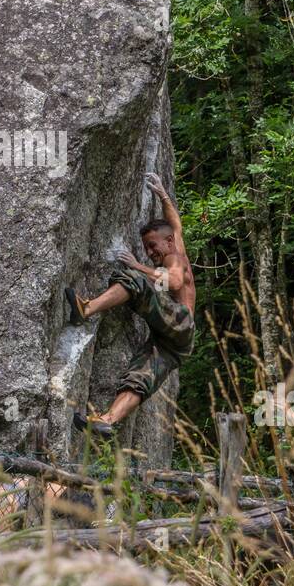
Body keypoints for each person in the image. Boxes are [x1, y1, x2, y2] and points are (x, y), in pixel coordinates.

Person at [63, 172, 195, 438]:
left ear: (167, 242)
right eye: (146, 248)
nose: (150, 252)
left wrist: (138, 265)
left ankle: (86, 309)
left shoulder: (175, 260)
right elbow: (175, 223)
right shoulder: (175, 243)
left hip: (180, 321)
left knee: (135, 279)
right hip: (177, 343)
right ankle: (109, 420)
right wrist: (163, 194)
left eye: (152, 245)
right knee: (140, 376)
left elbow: (175, 281)